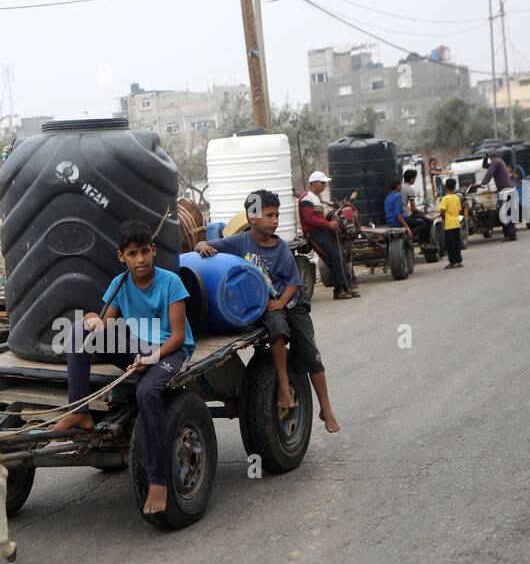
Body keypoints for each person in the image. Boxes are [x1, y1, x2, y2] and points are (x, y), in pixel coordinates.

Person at [54, 221, 194, 516]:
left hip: (169, 351)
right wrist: (93, 318)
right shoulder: (119, 283)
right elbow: (103, 323)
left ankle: (158, 480)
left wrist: (151, 358)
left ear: (153, 250)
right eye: (132, 254)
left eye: (145, 251)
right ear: (122, 257)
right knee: (79, 330)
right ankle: (79, 411)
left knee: (146, 393)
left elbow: (179, 336)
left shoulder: (171, 282)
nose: (140, 259)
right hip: (137, 347)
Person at [196, 189, 341, 432]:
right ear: (252, 217)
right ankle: (284, 387)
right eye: (269, 215)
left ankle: (326, 408)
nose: (275, 221)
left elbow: (294, 283)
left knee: (310, 352)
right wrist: (202, 245)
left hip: (290, 303)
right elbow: (208, 244)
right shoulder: (239, 241)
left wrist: (282, 302)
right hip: (266, 306)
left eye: (277, 215)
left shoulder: (280, 247)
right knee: (276, 328)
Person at [298, 170, 358, 300]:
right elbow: (309, 219)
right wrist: (328, 224)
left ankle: (346, 287)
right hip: (314, 234)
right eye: (322, 183)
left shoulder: (315, 198)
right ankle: (339, 290)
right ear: (313, 183)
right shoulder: (306, 198)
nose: (324, 186)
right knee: (335, 257)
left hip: (322, 232)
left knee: (339, 256)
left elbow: (317, 218)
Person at [479, 150, 518, 240]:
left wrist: (483, 184)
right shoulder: (499, 162)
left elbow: (489, 174)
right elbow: (485, 166)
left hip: (506, 191)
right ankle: (509, 235)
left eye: (489, 158)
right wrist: (485, 159)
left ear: (491, 158)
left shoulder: (496, 163)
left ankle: (511, 234)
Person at [400, 169, 434, 245]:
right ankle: (425, 242)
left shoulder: (400, 187)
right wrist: (421, 212)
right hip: (407, 215)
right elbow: (413, 208)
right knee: (428, 221)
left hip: (402, 213)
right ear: (412, 179)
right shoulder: (410, 189)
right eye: (415, 178)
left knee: (422, 219)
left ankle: (422, 242)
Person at [439, 178, 464, 269]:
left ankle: (452, 262)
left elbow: (442, 212)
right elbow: (459, 211)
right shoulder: (456, 198)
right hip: (457, 223)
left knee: (450, 245)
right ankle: (459, 261)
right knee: (457, 243)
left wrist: (443, 217)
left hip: (448, 225)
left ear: (445, 187)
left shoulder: (444, 199)